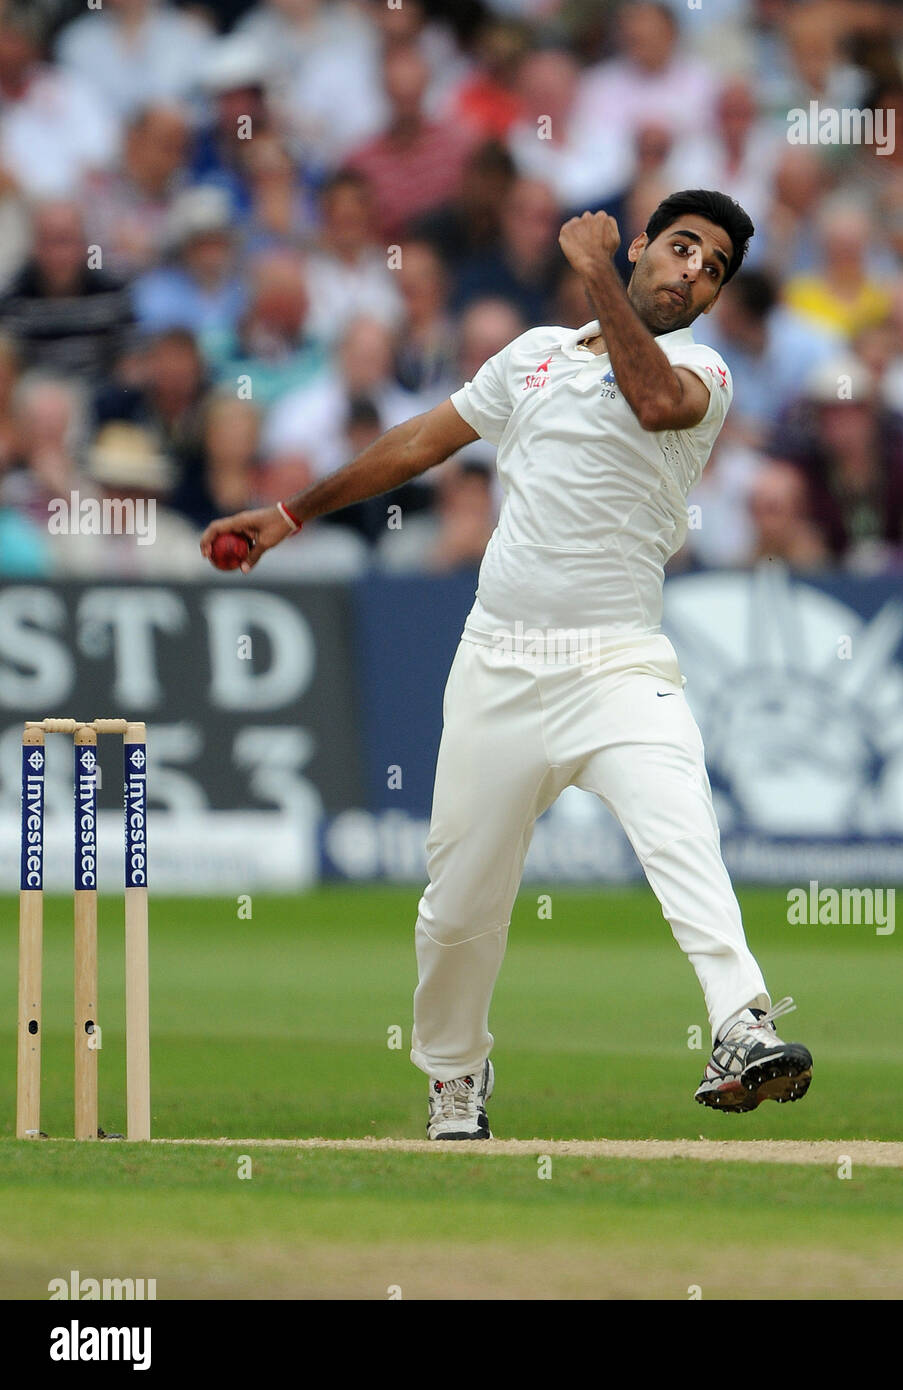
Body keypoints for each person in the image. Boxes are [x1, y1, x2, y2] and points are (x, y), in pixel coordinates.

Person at [200, 189, 813, 1139]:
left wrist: (595, 271)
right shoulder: (531, 357)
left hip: (619, 663)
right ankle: (454, 1077)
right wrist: (291, 515)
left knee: (684, 831)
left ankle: (743, 1024)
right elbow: (419, 441)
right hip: (499, 665)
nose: (694, 270)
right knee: (457, 910)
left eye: (714, 269)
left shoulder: (702, 373)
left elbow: (650, 400)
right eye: (682, 248)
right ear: (646, 245)